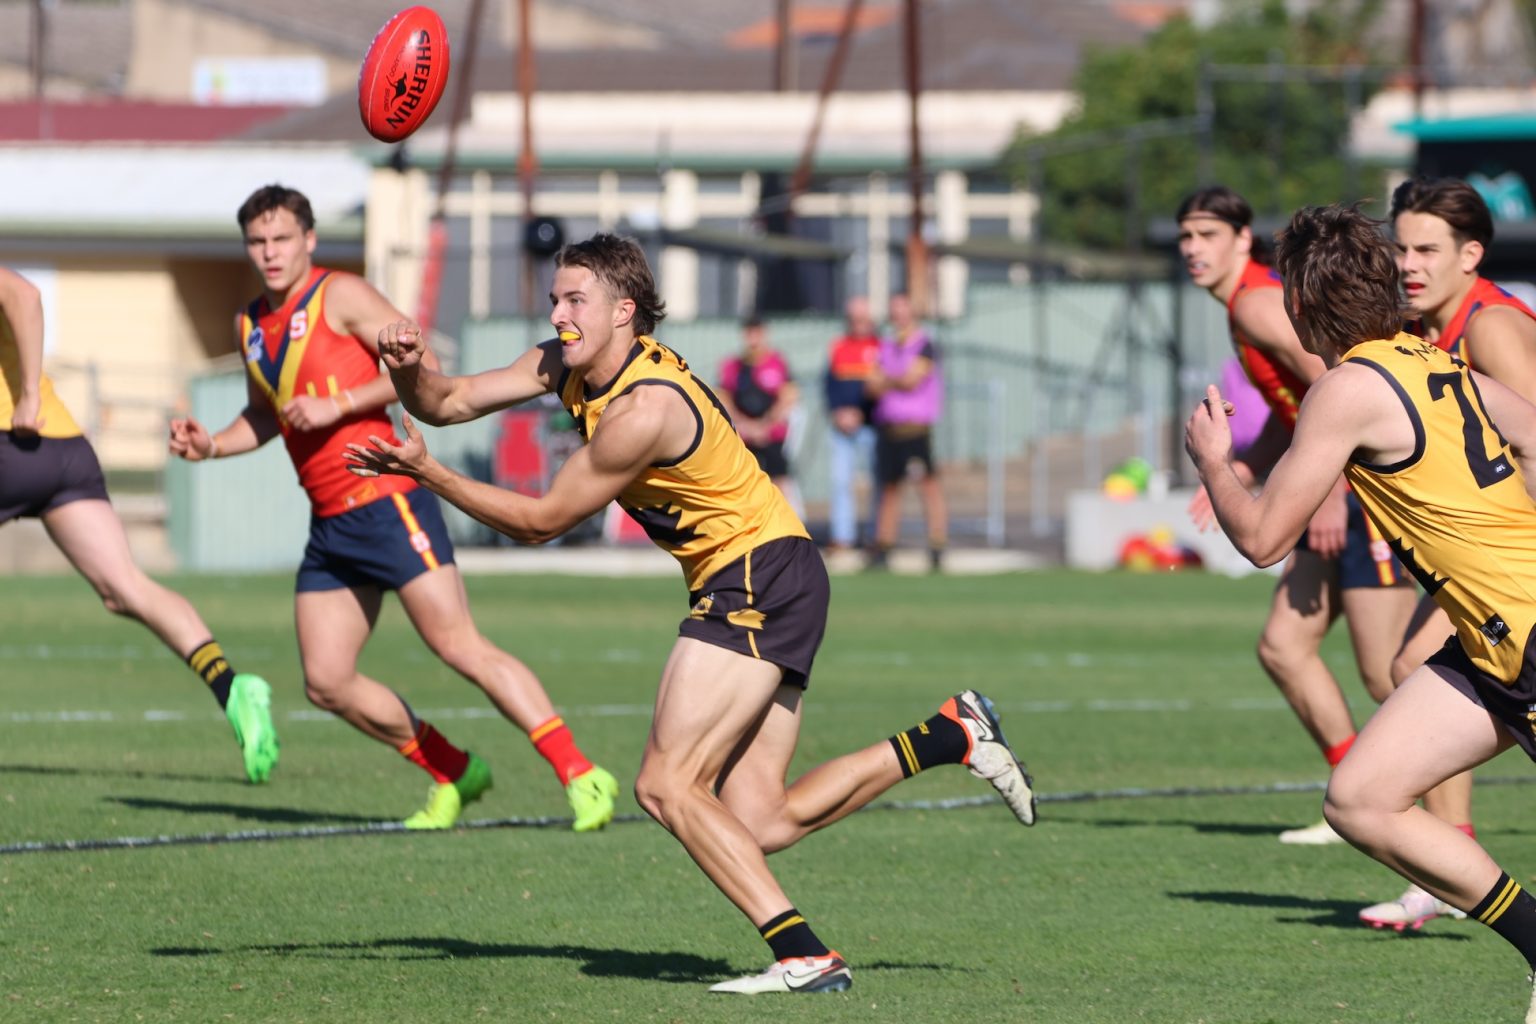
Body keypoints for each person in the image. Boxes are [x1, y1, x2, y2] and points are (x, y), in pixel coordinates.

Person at [343, 232, 1037, 994]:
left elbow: (541, 520)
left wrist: (426, 473)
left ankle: (805, 955)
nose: (560, 314)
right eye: (555, 299)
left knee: (666, 785)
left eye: (576, 301)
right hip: (777, 571)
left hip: (756, 576)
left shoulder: (643, 410)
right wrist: (408, 371)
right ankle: (949, 735)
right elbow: (446, 401)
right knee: (759, 821)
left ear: (624, 312)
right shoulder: (565, 362)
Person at [166, 184, 617, 831]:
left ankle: (580, 772)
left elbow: (421, 363)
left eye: (282, 239)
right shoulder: (249, 326)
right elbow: (266, 415)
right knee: (326, 682)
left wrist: (340, 403)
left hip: (388, 499)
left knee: (459, 646)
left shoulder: (339, 295)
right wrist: (211, 444)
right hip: (330, 521)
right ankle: (456, 771)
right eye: (258, 242)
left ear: (309, 241)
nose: (270, 252)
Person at [1187, 200, 1536, 1024]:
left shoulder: (1347, 388)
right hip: (1492, 640)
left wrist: (1213, 463)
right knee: (1361, 797)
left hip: (1523, 632)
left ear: (1303, 309)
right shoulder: (1437, 363)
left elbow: (1266, 538)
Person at [1178, 186, 1416, 846]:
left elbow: (1334, 381)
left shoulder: (1257, 302)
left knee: (1387, 671)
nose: (1193, 249)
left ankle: (1428, 817)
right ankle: (1357, 790)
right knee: (1284, 647)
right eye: (1185, 237)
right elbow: (1297, 412)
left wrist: (1333, 489)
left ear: (1243, 239)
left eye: (1207, 235)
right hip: (1327, 486)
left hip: (1356, 491)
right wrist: (1245, 466)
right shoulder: (1242, 309)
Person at [0, 266, 279, 784]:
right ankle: (233, 688)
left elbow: (25, 293)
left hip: (14, 442)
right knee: (125, 588)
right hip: (63, 451)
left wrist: (29, 397)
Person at [1347, 176, 1536, 930]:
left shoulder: (1488, 328)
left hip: (1515, 575)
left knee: (1404, 670)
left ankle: (1447, 859)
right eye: (1401, 247)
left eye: (1428, 249)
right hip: (1492, 572)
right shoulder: (1428, 337)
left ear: (1472, 255)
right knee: (1404, 674)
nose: (1409, 264)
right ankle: (1448, 855)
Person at [866, 293, 947, 572]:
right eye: (895, 310)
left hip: (914, 430)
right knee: (889, 489)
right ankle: (884, 547)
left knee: (927, 487)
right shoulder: (887, 346)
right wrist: (892, 381)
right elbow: (871, 384)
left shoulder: (924, 344)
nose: (899, 315)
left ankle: (937, 544)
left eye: (903, 309)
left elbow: (912, 380)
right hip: (890, 429)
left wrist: (887, 380)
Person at [717, 315, 799, 501]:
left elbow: (789, 397)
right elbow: (723, 399)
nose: (753, 339)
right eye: (749, 334)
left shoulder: (777, 362)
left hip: (771, 433)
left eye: (757, 334)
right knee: (739, 481)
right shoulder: (733, 366)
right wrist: (745, 425)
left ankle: (783, 523)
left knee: (778, 479)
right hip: (743, 433)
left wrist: (765, 426)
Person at [823, 297, 880, 551]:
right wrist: (838, 412)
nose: (858, 323)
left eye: (862, 318)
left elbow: (880, 388)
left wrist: (860, 413)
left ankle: (876, 535)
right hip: (841, 428)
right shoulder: (839, 346)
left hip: (871, 425)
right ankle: (843, 536)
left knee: (876, 481)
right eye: (853, 318)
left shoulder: (880, 346)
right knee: (840, 481)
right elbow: (830, 384)